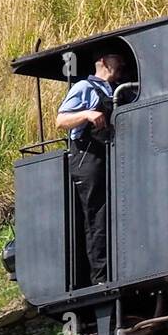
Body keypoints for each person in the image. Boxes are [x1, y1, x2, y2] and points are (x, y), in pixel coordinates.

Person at [56, 50, 127, 286]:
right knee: (97, 215)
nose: (123, 64)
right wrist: (86, 114)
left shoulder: (117, 88)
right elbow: (61, 120)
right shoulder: (84, 87)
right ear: (105, 62)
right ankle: (101, 277)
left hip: (109, 154)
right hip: (88, 156)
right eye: (118, 60)